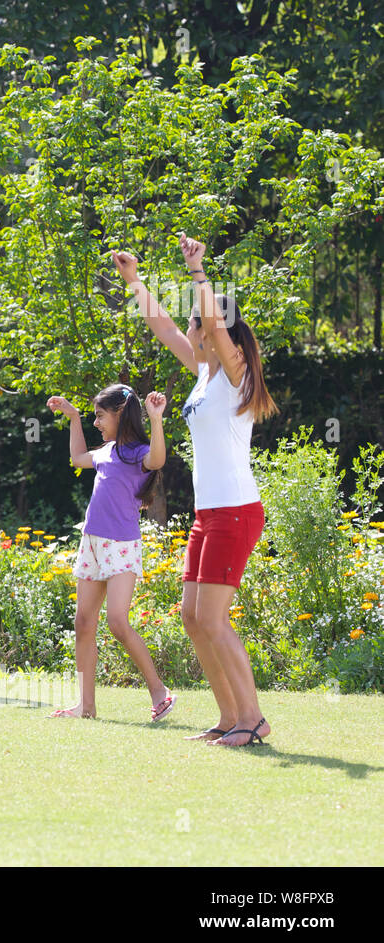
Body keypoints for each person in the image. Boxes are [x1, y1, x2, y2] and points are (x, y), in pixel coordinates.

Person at [112, 234, 279, 746]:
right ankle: (229, 717)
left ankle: (254, 719)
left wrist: (198, 272)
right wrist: (135, 282)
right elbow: (162, 326)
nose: (191, 331)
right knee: (191, 616)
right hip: (209, 514)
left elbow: (210, 323)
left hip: (236, 511)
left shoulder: (234, 374)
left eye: (199, 325)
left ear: (214, 330)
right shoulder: (204, 376)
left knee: (212, 617)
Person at [45, 385, 175, 720]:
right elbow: (76, 458)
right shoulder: (105, 452)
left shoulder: (138, 453)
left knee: (117, 621)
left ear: (120, 413)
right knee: (84, 622)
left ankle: (159, 692)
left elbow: (158, 459)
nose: (97, 422)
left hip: (121, 547)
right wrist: (72, 417)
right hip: (92, 543)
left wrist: (157, 419)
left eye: (101, 416)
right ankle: (86, 706)